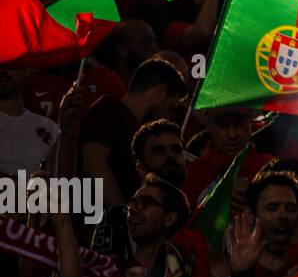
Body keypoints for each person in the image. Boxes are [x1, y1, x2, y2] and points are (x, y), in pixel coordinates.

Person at [81, 58, 189, 209]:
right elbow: (94, 164)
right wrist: (123, 217)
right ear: (160, 92)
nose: (169, 117)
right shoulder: (110, 109)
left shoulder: (136, 132)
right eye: (170, 108)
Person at [0, 67, 56, 177]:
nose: (2, 70)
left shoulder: (50, 128)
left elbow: (63, 180)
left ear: (27, 70)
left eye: (11, 63)